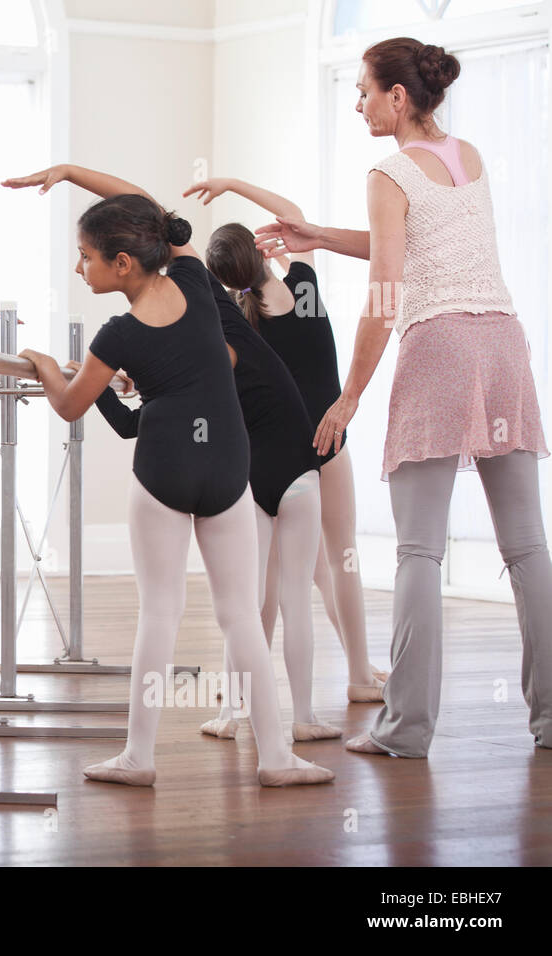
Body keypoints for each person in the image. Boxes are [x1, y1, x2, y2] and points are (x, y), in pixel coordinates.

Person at [257, 37, 552, 757]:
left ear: (397, 95)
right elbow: (424, 241)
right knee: (527, 548)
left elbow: (387, 291)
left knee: (419, 549)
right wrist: (318, 236)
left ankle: (407, 728)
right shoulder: (469, 156)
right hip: (504, 341)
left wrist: (347, 396)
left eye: (363, 90)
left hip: (442, 344)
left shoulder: (388, 170)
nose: (357, 103)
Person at [3, 162, 334, 787]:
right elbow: (146, 205)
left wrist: (46, 364)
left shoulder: (118, 332)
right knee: (241, 615)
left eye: (86, 257)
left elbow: (72, 405)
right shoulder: (193, 276)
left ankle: (139, 756)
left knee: (160, 613)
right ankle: (277, 757)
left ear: (123, 263)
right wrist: (74, 173)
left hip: (163, 466)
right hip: (229, 467)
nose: (81, 268)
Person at [186, 175, 387, 703]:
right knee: (339, 560)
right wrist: (231, 183)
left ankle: (244, 697)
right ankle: (360, 675)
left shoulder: (238, 323)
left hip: (275, 457)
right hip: (328, 441)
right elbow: (294, 211)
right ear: (261, 253)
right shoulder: (304, 288)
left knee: (273, 581)